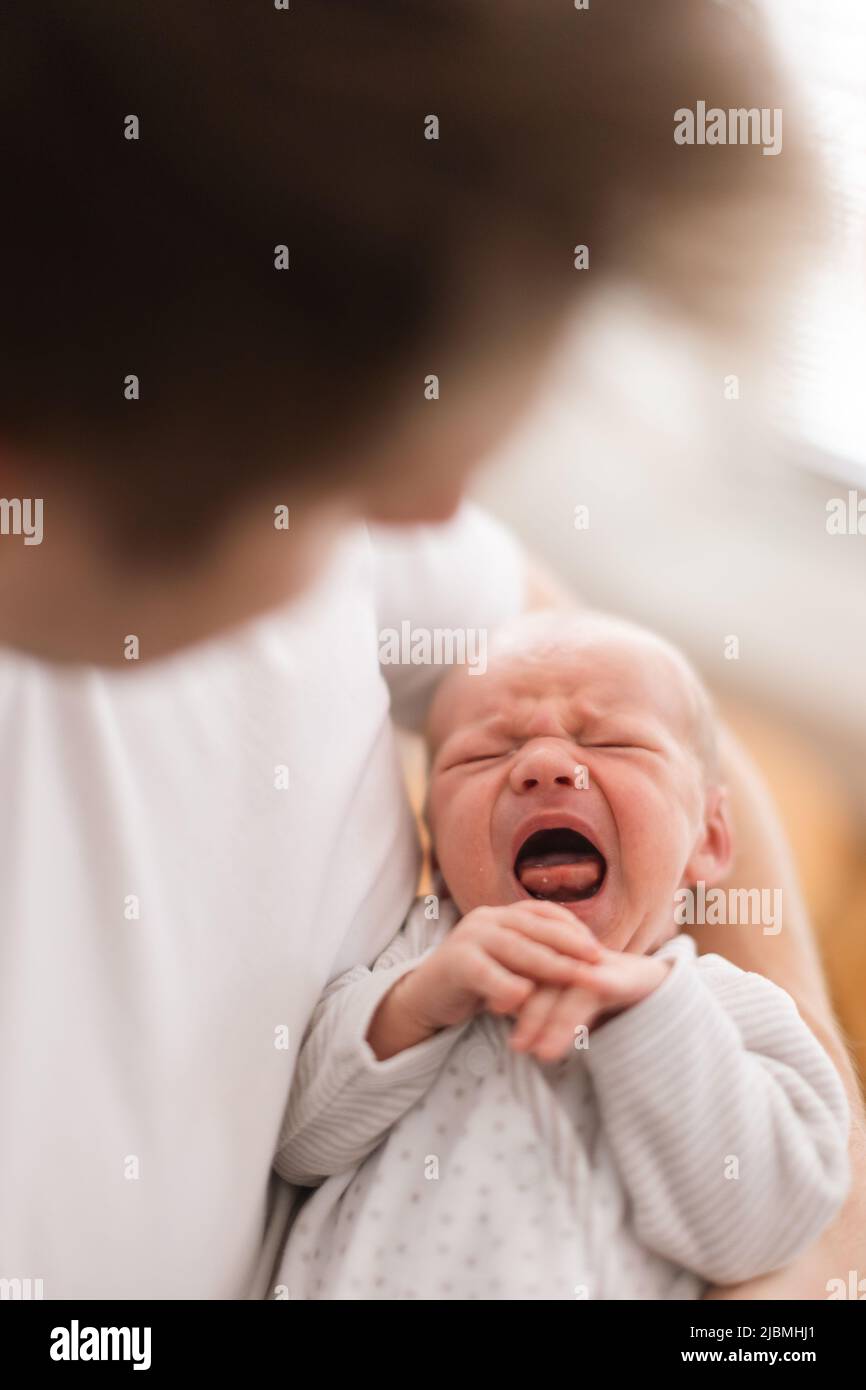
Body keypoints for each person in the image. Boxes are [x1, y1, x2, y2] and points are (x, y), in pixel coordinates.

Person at [0, 1, 861, 1299]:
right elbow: (316, 1117)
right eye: (365, 459)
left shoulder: (342, 537)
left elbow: (642, 697)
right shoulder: (413, 960)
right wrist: (416, 1003)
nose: (432, 515)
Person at [274, 614, 850, 1300]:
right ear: (436, 852)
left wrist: (650, 1017)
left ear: (712, 838)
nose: (544, 765)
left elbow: (764, 1233)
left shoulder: (735, 1012)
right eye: (482, 755)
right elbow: (301, 1151)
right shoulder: (413, 963)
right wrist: (416, 1005)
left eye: (613, 740)